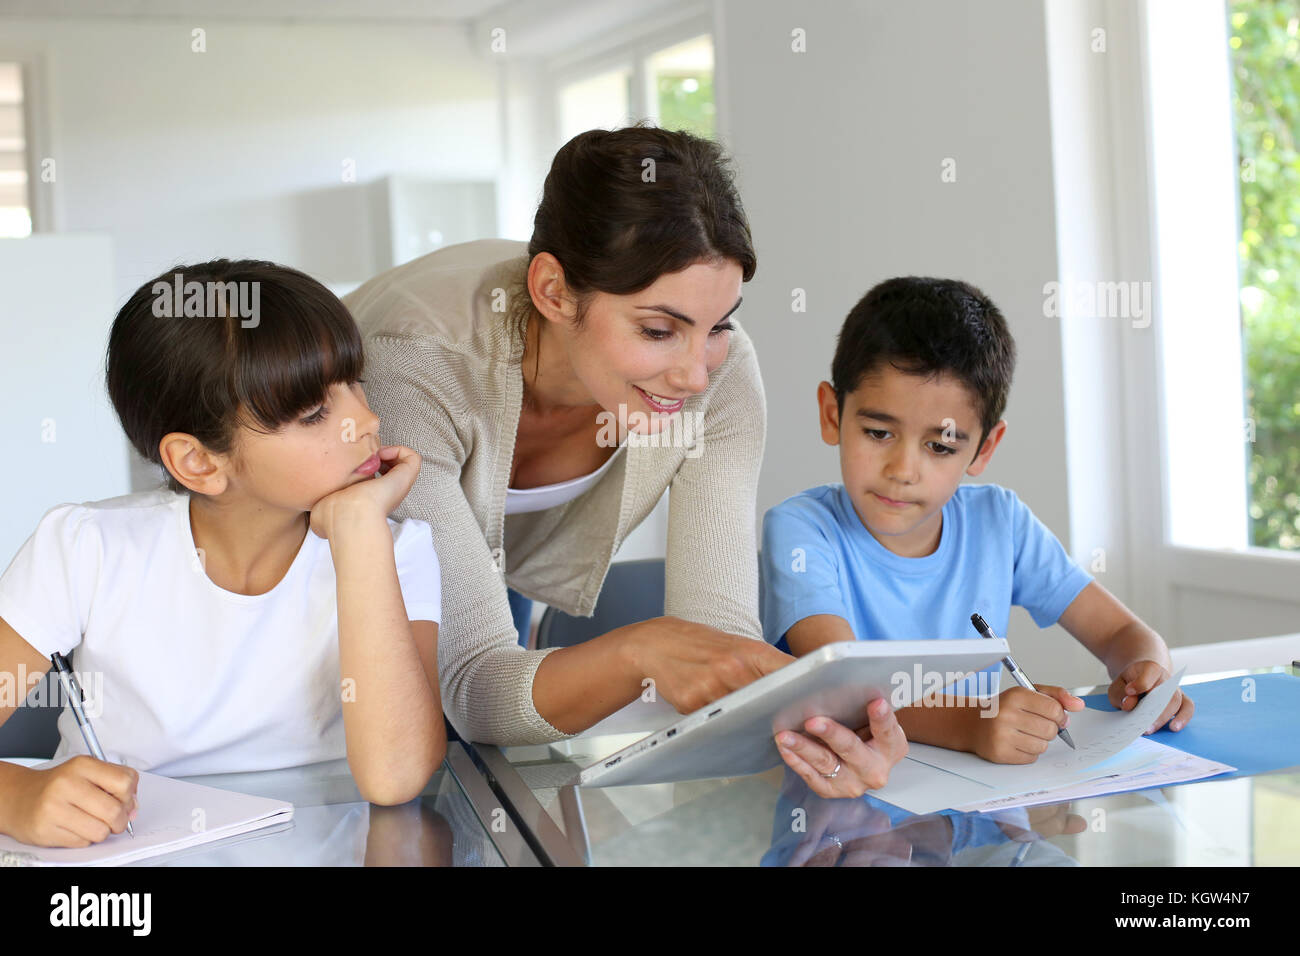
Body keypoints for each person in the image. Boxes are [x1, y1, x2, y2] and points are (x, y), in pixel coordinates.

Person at [346, 124, 906, 797]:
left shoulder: (722, 376)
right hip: (333, 572)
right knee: (425, 772)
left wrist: (822, 728)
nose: (696, 376)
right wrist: (640, 650)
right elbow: (475, 689)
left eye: (720, 325)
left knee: (507, 780)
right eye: (658, 330)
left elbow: (713, 641)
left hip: (500, 561)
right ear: (553, 292)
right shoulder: (413, 365)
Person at [0, 260, 444, 848]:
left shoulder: (395, 549)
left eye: (355, 383)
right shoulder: (87, 548)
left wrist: (361, 534)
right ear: (199, 462)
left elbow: (396, 777)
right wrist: (15, 796)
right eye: (315, 414)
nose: (366, 419)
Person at [760, 276, 1195, 764]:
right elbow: (839, 686)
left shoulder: (1000, 522)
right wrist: (974, 721)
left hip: (975, 811)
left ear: (984, 448)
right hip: (836, 807)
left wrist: (1148, 672)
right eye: (879, 432)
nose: (903, 471)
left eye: (940, 446)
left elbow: (1122, 634)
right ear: (832, 414)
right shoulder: (800, 529)